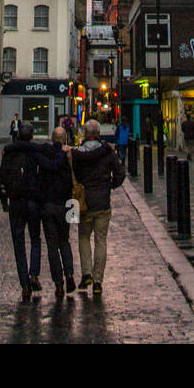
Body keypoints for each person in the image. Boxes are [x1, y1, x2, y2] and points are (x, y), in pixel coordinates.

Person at [72, 118, 126, 295]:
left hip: (85, 203)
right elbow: (120, 174)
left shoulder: (78, 153)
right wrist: (110, 186)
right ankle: (97, 281)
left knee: (83, 237)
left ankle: (86, 272)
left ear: (86, 134)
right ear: (99, 134)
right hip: (103, 201)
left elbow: (74, 177)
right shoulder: (108, 153)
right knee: (101, 241)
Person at [0, 120, 44, 301]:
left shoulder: (9, 153)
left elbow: (0, 180)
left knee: (18, 243)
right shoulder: (37, 152)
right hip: (33, 201)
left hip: (15, 202)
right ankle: (34, 275)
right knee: (35, 239)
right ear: (32, 136)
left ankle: (24, 284)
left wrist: (4, 201)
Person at [36, 126, 77, 298]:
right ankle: (69, 275)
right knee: (65, 241)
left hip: (47, 205)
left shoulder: (44, 154)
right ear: (65, 139)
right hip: (68, 203)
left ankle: (58, 284)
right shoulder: (69, 155)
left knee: (52, 246)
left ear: (52, 139)